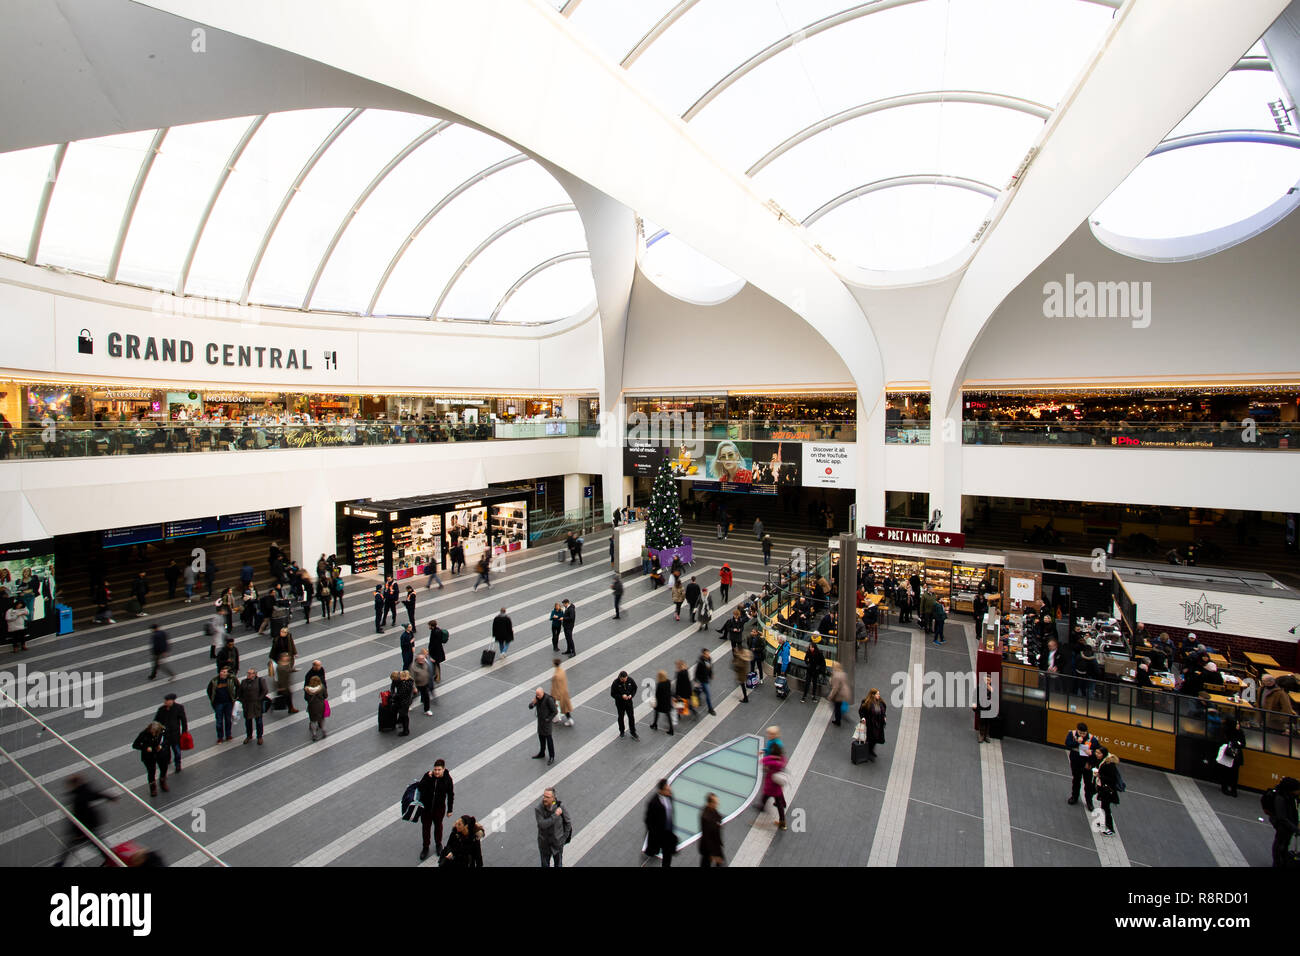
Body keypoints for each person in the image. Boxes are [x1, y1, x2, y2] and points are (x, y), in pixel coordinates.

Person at [54, 775, 118, 867]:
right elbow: (96, 795)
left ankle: (111, 859)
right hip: (90, 825)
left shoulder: (78, 798)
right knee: (97, 843)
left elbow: (78, 816)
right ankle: (110, 858)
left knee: (73, 845)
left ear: (74, 784)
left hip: (84, 828)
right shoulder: (84, 790)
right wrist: (109, 797)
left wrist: (79, 834)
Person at [417, 759, 456, 860]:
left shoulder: (447, 779)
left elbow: (450, 794)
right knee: (426, 828)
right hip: (426, 809)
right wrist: (427, 778)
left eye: (439, 770)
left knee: (438, 827)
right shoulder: (428, 776)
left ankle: (438, 844)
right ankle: (425, 847)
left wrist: (450, 809)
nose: (437, 772)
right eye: (435, 769)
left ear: (443, 769)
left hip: (439, 809)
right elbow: (420, 787)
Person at [1264, 776, 1300, 868]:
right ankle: (1277, 863)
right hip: (1283, 826)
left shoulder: (1290, 796)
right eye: (1297, 789)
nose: (1298, 791)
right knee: (1280, 845)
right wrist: (1295, 828)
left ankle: (1281, 862)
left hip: (1288, 825)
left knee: (1284, 844)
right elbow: (1282, 818)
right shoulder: (1280, 798)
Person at [1065, 721, 1100, 811]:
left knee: (1088, 783)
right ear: (1077, 730)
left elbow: (1097, 752)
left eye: (1084, 733)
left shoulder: (1092, 739)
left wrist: (1090, 762)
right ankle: (1074, 797)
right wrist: (1077, 742)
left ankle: (1089, 802)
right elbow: (1068, 744)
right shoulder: (1072, 734)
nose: (1082, 735)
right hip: (1076, 763)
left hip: (1087, 765)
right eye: (1080, 733)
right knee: (1076, 780)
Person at [153, 693, 189, 773]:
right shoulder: (161, 709)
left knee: (177, 751)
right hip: (164, 734)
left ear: (172, 701)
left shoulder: (179, 708)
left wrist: (184, 731)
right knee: (166, 750)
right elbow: (156, 721)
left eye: (167, 700)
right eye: (165, 700)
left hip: (175, 734)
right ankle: (168, 760)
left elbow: (183, 720)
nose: (165, 702)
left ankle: (178, 764)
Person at [644, 779, 676, 867]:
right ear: (661, 791)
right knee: (654, 849)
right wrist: (655, 832)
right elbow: (648, 820)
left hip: (668, 833)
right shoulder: (653, 803)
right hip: (658, 834)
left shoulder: (670, 797)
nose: (669, 790)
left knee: (667, 855)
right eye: (667, 789)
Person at [132, 721, 170, 797]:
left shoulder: (163, 731)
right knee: (151, 771)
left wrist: (161, 746)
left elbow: (167, 740)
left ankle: (162, 782)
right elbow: (135, 745)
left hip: (160, 754)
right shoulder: (143, 734)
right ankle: (153, 788)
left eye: (155, 732)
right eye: (152, 732)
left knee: (164, 768)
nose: (153, 734)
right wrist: (145, 748)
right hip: (149, 756)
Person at [536, 787, 571, 867]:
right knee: (545, 865)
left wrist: (564, 838)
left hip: (557, 843)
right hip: (544, 844)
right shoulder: (539, 809)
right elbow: (542, 824)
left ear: (553, 798)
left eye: (547, 797)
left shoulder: (560, 807)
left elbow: (568, 823)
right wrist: (555, 815)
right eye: (544, 796)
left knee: (558, 864)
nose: (544, 799)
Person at [757, 743, 788, 830]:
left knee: (765, 797)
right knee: (779, 803)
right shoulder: (782, 759)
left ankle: (761, 807)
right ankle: (782, 822)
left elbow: (763, 761)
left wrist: (768, 756)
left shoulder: (773, 762)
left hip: (771, 786)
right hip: (777, 787)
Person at [207, 665, 239, 744]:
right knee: (219, 721)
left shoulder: (231, 679)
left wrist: (235, 697)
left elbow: (238, 686)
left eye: (224, 672)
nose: (222, 673)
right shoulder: (214, 681)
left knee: (228, 719)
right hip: (218, 704)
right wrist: (213, 700)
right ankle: (220, 737)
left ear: (227, 674)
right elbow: (209, 690)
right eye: (221, 671)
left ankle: (228, 735)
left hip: (228, 703)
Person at [1095, 748, 1121, 835]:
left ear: (1103, 754)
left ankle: (1110, 829)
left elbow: (1111, 779)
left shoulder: (1109, 765)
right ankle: (1103, 822)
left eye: (1098, 753)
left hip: (1107, 791)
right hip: (1105, 789)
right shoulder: (1105, 762)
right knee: (1104, 807)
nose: (1096, 754)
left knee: (1106, 809)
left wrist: (1100, 775)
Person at [239, 667, 268, 744]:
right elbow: (240, 692)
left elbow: (265, 690)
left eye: (250, 673)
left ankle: (259, 737)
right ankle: (249, 735)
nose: (248, 675)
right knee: (248, 722)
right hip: (247, 705)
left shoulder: (260, 680)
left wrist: (259, 699)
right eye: (247, 673)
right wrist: (242, 701)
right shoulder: (243, 682)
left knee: (258, 721)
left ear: (254, 674)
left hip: (256, 705)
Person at [1218, 716, 1246, 797]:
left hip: (1236, 756)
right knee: (1226, 772)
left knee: (1235, 773)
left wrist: (1236, 743)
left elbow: (1243, 744)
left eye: (1238, 723)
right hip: (1228, 754)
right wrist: (1237, 743)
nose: (1238, 725)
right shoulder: (1227, 731)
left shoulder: (1240, 732)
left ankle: (1233, 790)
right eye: (1236, 724)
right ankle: (1225, 787)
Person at [530, 686, 558, 764]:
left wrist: (548, 719)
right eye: (536, 695)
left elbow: (555, 711)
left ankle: (552, 756)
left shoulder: (549, 699)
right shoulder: (537, 698)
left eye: (538, 695)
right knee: (541, 739)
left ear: (542, 693)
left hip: (547, 724)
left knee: (549, 741)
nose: (537, 696)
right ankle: (542, 753)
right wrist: (533, 703)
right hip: (540, 723)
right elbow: (530, 707)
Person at [859, 690, 887, 760]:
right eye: (877, 694)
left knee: (875, 738)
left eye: (879, 694)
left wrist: (884, 717)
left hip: (878, 724)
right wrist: (863, 718)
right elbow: (861, 711)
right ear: (873, 695)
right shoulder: (866, 702)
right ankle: (868, 751)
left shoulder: (880, 702)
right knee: (870, 738)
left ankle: (871, 750)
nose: (879, 695)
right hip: (870, 724)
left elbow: (883, 711)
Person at [611, 670, 638, 739]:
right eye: (623, 679)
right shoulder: (615, 683)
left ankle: (633, 732)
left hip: (629, 702)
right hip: (620, 704)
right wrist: (621, 696)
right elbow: (613, 694)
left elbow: (635, 688)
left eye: (626, 679)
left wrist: (631, 695)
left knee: (631, 717)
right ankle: (622, 731)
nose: (625, 680)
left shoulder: (630, 680)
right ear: (620, 678)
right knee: (621, 717)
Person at [699, 792, 725, 867]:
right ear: (710, 803)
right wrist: (712, 854)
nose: (717, 804)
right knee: (706, 863)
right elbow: (707, 837)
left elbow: (718, 817)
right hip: (709, 849)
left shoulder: (713, 810)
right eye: (715, 803)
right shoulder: (705, 817)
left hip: (716, 845)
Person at [390, 669, 414, 737]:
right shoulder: (398, 678)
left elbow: (401, 694)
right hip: (401, 700)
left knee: (404, 715)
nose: (394, 681)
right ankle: (399, 721)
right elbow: (392, 686)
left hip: (405, 701)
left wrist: (393, 696)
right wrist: (392, 693)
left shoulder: (406, 683)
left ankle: (406, 730)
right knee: (397, 710)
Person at [650, 669, 674, 735]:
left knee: (656, 712)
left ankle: (654, 724)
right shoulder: (668, 681)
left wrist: (655, 701)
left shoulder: (659, 684)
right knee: (668, 715)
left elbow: (657, 694)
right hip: (667, 701)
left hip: (661, 702)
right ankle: (671, 729)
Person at [551, 657, 574, 726]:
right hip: (564, 692)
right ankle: (568, 719)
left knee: (556, 706)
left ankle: (558, 718)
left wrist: (553, 696)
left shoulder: (556, 675)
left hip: (558, 694)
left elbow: (554, 687)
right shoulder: (562, 671)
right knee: (565, 708)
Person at [827, 662, 850, 726]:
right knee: (838, 706)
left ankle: (838, 721)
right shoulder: (843, 674)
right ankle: (839, 718)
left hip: (838, 694)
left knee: (837, 708)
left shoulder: (836, 676)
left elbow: (835, 688)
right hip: (844, 693)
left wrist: (830, 696)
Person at [305, 675, 327, 741]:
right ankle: (323, 731)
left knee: (313, 720)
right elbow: (325, 696)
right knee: (322, 718)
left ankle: (314, 734)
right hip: (321, 705)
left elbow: (306, 698)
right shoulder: (322, 687)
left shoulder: (307, 690)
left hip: (312, 706)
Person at [413, 650, 435, 715]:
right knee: (414, 696)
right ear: (418, 659)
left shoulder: (425, 663)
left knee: (426, 697)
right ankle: (409, 704)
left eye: (424, 658)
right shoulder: (413, 666)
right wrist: (414, 687)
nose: (424, 659)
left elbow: (429, 671)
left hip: (425, 684)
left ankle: (427, 710)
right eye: (422, 659)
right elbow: (412, 677)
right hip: (418, 684)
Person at [695, 648, 716, 716]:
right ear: (703, 654)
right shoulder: (700, 663)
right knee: (708, 694)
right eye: (706, 654)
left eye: (708, 653)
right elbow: (696, 672)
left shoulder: (709, 659)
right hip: (703, 680)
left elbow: (710, 667)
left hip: (706, 679)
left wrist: (711, 674)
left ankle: (697, 696)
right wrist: (697, 681)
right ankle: (710, 709)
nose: (708, 655)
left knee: (701, 690)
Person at [427, 620, 447, 686]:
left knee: (436, 664)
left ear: (431, 626)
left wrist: (430, 651)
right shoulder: (438, 630)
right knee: (436, 664)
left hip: (435, 652)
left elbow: (434, 643)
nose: (428, 626)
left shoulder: (435, 632)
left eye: (429, 625)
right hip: (438, 650)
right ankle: (436, 676)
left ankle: (437, 677)